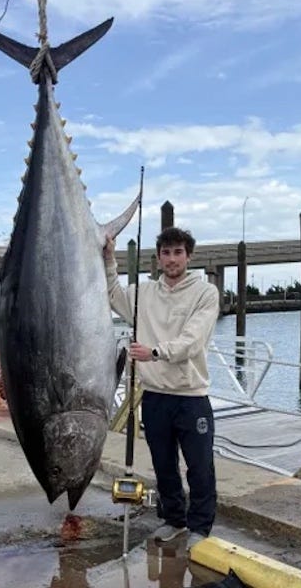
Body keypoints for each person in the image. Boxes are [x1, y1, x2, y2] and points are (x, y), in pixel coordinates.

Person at [102, 227, 221, 551]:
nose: (172, 259)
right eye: (166, 253)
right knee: (163, 465)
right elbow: (112, 294)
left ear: (189, 256)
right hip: (155, 396)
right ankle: (174, 519)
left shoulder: (205, 293)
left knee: (200, 467)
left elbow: (193, 341)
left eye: (178, 252)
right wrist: (110, 258)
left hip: (191, 397)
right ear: (158, 258)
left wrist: (155, 352)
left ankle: (200, 527)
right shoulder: (143, 293)